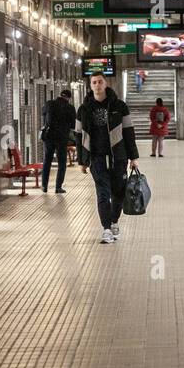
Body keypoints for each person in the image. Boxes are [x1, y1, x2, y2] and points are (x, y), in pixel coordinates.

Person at [77, 73, 139, 244]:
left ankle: (114, 222)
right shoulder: (83, 109)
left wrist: (133, 157)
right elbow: (78, 135)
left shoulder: (119, 106)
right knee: (102, 193)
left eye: (100, 82)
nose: (97, 85)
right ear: (90, 85)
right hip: (96, 158)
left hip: (118, 156)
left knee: (118, 193)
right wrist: (82, 160)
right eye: (94, 82)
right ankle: (106, 229)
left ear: (105, 84)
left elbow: (129, 132)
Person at [41, 89, 77, 194]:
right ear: (68, 98)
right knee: (62, 162)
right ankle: (58, 187)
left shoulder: (49, 104)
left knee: (47, 161)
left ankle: (44, 186)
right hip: (62, 138)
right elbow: (73, 125)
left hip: (49, 136)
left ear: (60, 95)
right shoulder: (70, 108)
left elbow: (44, 116)